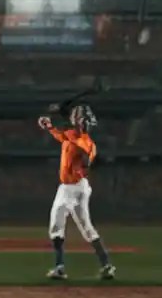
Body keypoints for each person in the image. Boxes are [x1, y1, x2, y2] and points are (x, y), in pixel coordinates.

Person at [38, 103, 116, 280]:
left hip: (71, 188)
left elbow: (80, 147)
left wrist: (59, 118)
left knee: (56, 224)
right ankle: (107, 265)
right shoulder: (74, 135)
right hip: (76, 187)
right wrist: (50, 126)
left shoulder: (86, 142)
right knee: (86, 227)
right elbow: (63, 137)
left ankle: (59, 267)